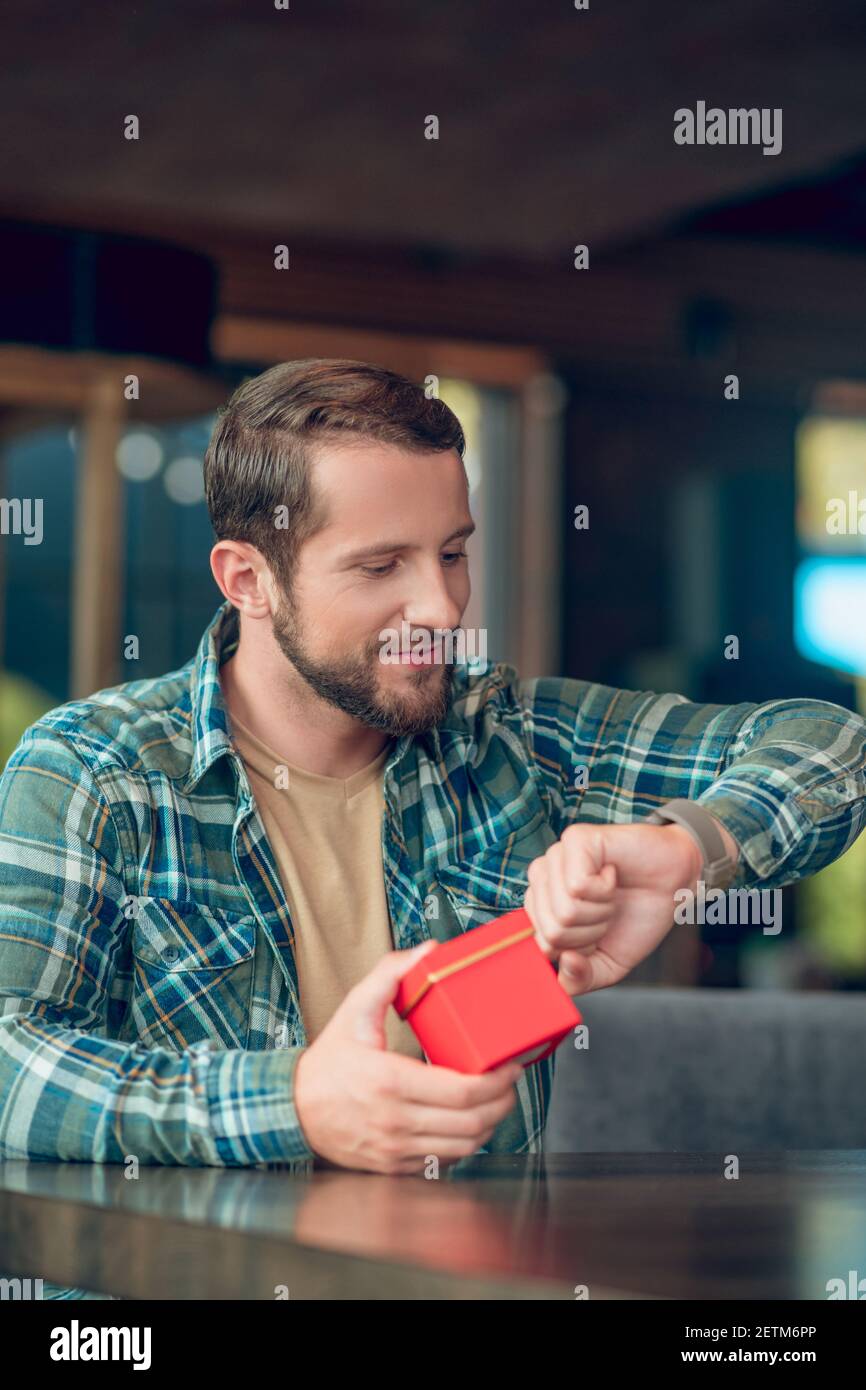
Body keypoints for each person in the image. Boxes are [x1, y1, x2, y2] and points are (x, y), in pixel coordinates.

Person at [1, 358, 864, 1208]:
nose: (443, 608)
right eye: (382, 568)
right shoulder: (94, 776)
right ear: (248, 580)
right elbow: (13, 1066)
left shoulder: (508, 737)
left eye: (451, 553)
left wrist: (689, 852)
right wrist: (295, 1104)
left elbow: (833, 745)